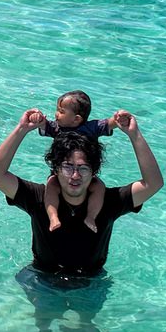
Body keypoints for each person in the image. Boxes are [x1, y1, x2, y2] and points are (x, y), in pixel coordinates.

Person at [0, 107, 164, 317]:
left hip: (90, 281)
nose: (75, 175)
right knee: (43, 324)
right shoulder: (38, 198)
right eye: (68, 167)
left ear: (94, 172)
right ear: (56, 169)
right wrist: (22, 129)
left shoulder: (109, 202)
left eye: (84, 168)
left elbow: (153, 183)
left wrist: (135, 135)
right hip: (43, 277)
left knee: (86, 331)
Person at [37, 89, 113, 232]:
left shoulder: (91, 128)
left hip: (86, 176)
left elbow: (109, 123)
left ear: (76, 118)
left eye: (61, 111)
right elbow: (43, 124)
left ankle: (91, 216)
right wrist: (37, 118)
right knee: (51, 185)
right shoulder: (56, 128)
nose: (56, 114)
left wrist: (119, 119)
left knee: (99, 187)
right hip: (59, 175)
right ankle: (53, 217)